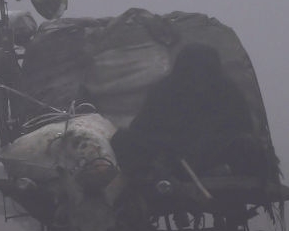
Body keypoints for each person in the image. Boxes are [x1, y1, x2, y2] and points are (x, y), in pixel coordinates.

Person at [111, 42, 265, 183]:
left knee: (245, 146)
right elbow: (141, 129)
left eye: (205, 69)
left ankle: (214, 169)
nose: (198, 74)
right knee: (122, 139)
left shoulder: (227, 91)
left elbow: (241, 129)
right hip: (170, 154)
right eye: (191, 69)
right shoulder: (164, 90)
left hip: (210, 155)